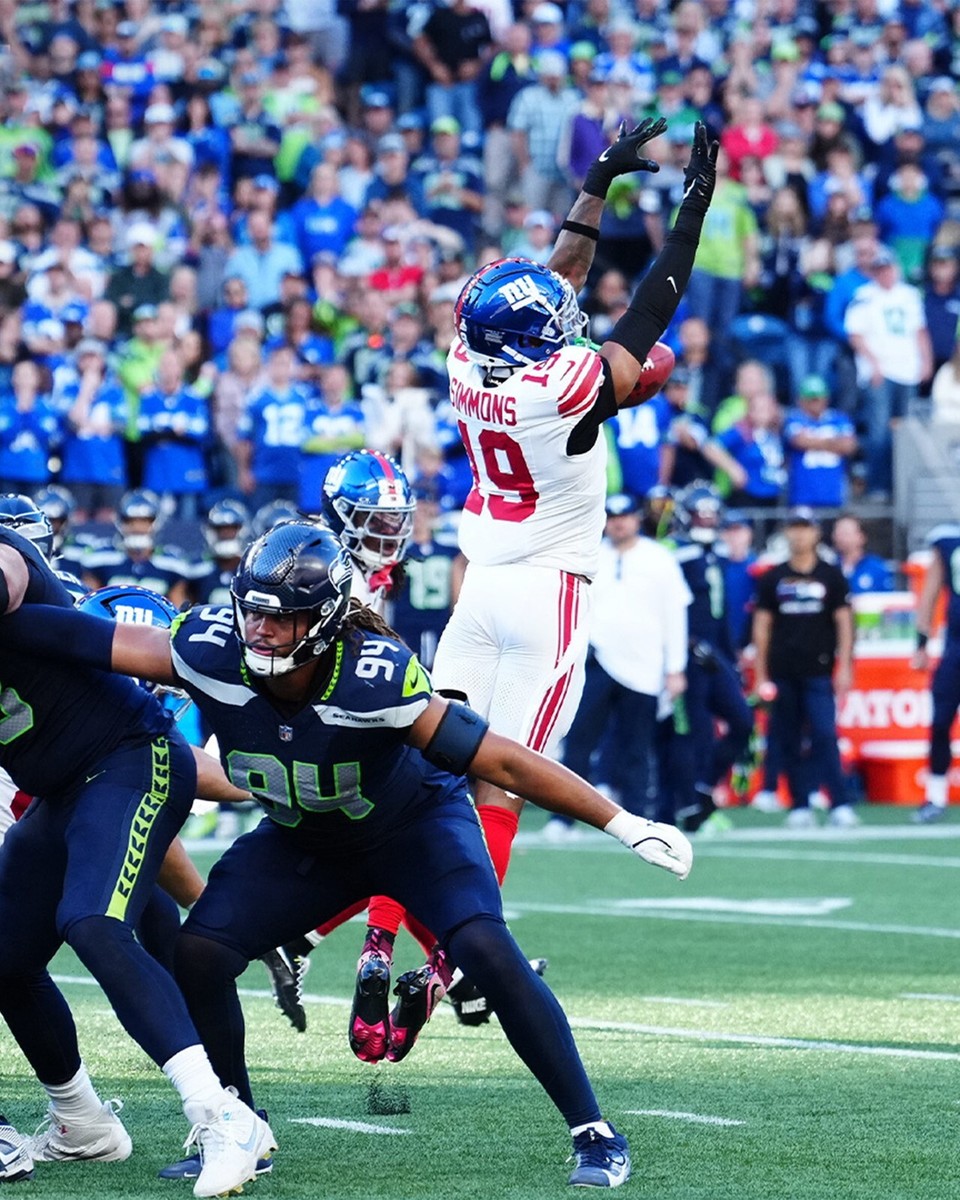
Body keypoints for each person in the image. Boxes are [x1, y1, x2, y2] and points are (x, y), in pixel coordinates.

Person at [3, 520, 695, 1189]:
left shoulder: (374, 678)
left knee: (484, 945)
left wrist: (620, 820)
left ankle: (594, 1131)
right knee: (200, 952)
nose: (261, 630)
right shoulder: (213, 648)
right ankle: (241, 1123)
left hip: (413, 831)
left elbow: (500, 761)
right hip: (306, 840)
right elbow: (84, 639)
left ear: (327, 620)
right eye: (254, 612)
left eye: (283, 618)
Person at [429, 119, 717, 915]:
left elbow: (560, 279)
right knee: (505, 777)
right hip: (546, 588)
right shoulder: (555, 390)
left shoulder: (465, 361)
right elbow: (649, 320)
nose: (567, 324)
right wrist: (691, 212)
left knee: (435, 765)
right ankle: (461, 950)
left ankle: (380, 938)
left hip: (481, 582)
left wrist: (596, 183)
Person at [0, 511, 274, 1197]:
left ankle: (223, 1115)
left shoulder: (16, 575)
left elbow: (8, 573)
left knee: (92, 921)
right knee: (3, 958)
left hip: (132, 755)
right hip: (65, 791)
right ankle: (82, 1124)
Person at [545, 492, 690, 839]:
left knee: (637, 746)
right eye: (611, 516)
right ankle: (563, 818)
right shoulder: (589, 556)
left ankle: (637, 820)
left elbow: (675, 614)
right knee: (579, 740)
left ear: (637, 520)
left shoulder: (659, 559)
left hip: (645, 665)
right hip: (596, 660)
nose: (618, 522)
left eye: (624, 516)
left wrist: (676, 667)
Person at [752, 507, 859, 830]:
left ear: (816, 533)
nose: (799, 534)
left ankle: (838, 801)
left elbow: (844, 622)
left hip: (819, 669)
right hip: (784, 670)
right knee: (789, 736)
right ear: (786, 533)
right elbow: (762, 627)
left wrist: (846, 666)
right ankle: (800, 803)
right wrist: (760, 673)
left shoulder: (831, 575)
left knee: (826, 734)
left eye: (805, 528)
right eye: (794, 528)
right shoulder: (773, 577)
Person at [911, 522, 960, 823]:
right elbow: (929, 593)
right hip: (956, 647)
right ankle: (936, 795)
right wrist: (921, 642)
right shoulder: (948, 540)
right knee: (941, 720)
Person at [830, 514, 893, 594]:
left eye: (845, 533)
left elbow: (887, 598)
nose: (840, 538)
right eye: (837, 533)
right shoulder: (830, 566)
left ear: (861, 537)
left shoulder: (877, 568)